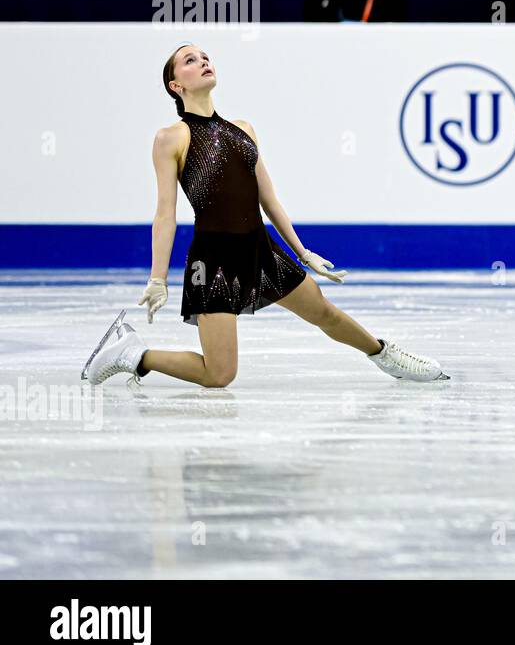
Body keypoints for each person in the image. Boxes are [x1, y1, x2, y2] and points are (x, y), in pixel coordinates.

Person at [80, 43, 448, 387]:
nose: (204, 62)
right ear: (176, 85)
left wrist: (302, 252)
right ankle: (135, 355)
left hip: (259, 248)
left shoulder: (244, 130)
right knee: (220, 374)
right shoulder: (170, 138)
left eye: (205, 56)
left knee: (322, 310)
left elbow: (269, 200)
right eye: (190, 60)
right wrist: (157, 278)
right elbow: (165, 214)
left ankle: (387, 357)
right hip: (214, 260)